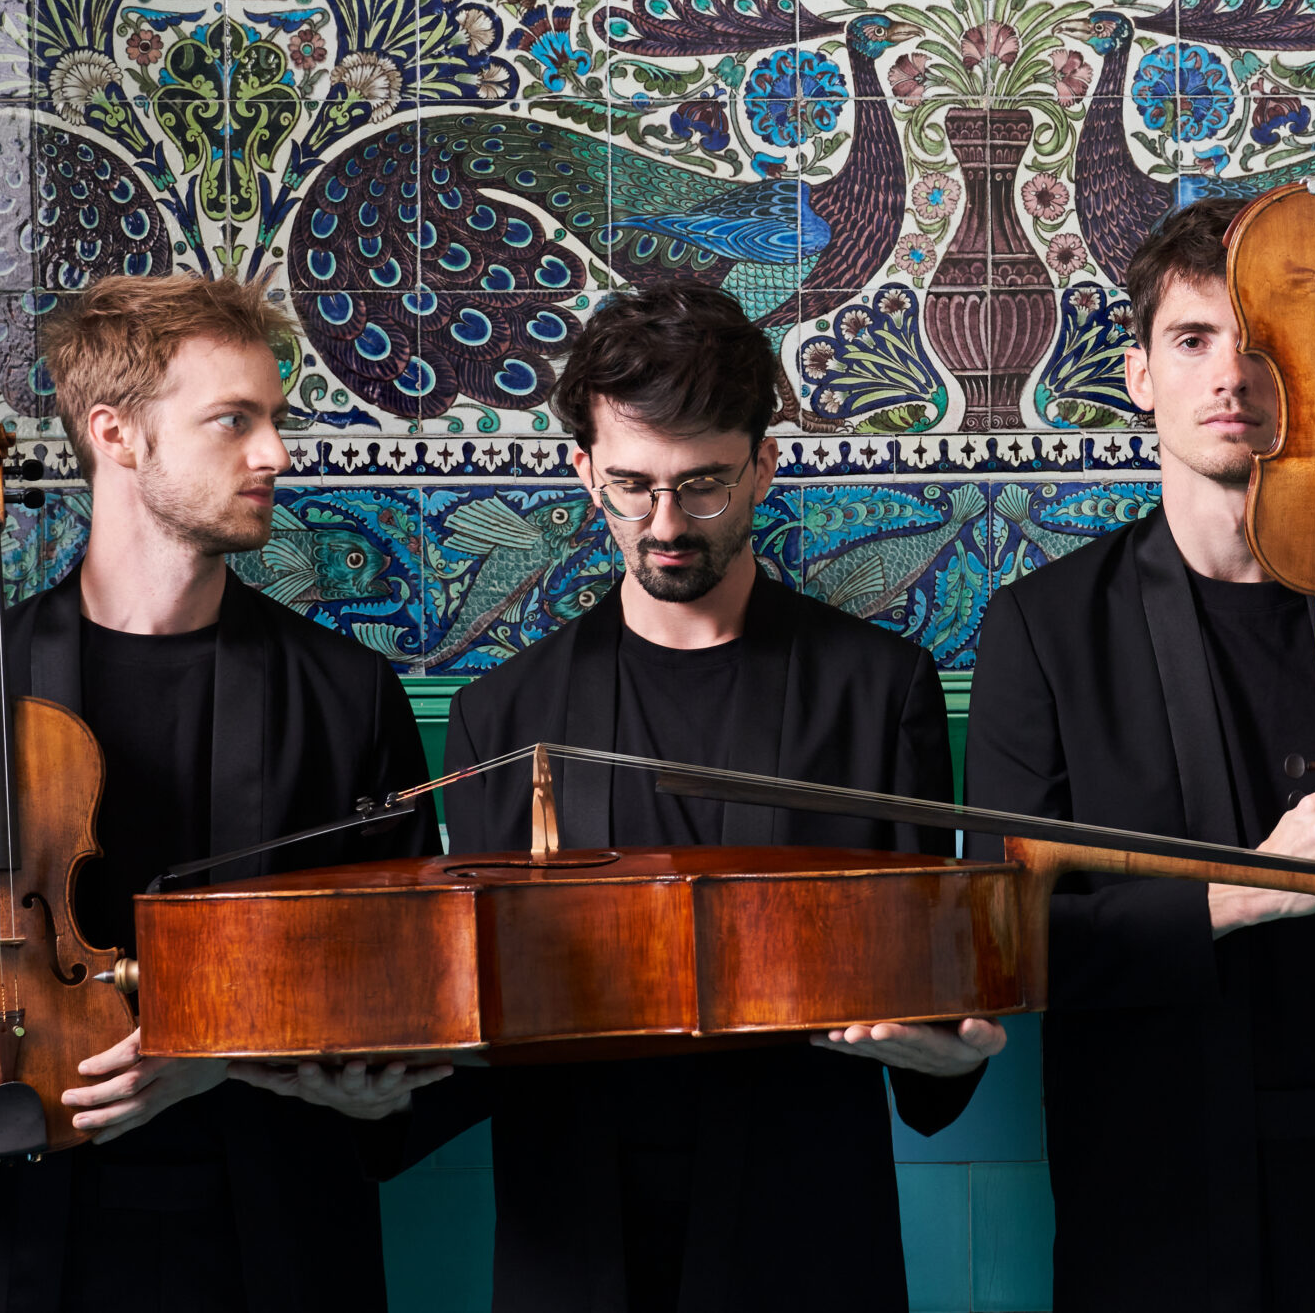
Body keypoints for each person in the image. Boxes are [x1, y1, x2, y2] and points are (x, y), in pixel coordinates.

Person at [0, 276, 446, 1313]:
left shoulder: (348, 694)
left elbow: (407, 983)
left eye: (274, 419)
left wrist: (221, 1056)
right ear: (116, 434)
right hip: (35, 1239)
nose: (276, 454)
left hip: (282, 1236)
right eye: (234, 421)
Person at [964, 198, 1315, 1313]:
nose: (1231, 375)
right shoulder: (1045, 627)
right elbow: (1006, 937)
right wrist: (1249, 887)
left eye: (1265, 345)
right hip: (1153, 1196)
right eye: (1193, 339)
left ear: (1314, 370)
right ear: (1138, 376)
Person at [417, 283, 1002, 1313]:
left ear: (762, 465)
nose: (665, 523)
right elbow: (489, 1021)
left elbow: (931, 1009)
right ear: (584, 468)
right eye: (630, 486)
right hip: (575, 1236)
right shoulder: (498, 716)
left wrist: (948, 1054)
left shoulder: (880, 690)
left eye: (704, 486)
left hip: (803, 1226)